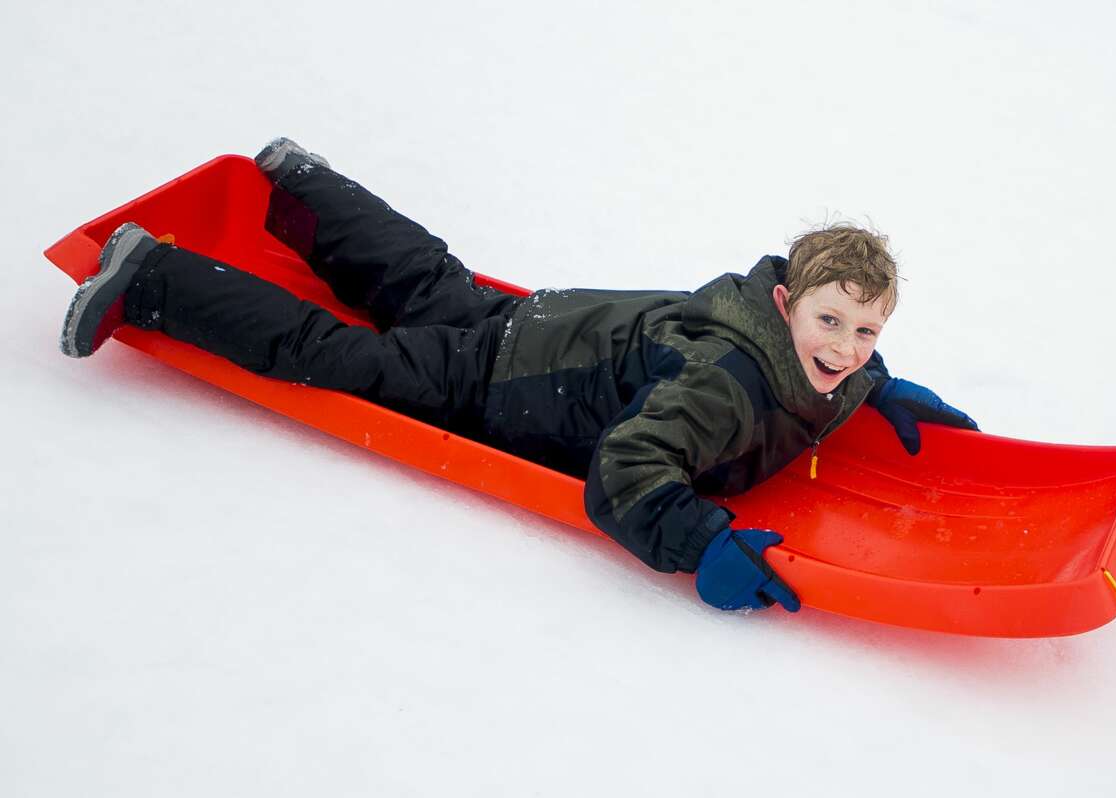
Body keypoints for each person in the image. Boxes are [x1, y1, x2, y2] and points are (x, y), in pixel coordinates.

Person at [60, 138, 978, 614]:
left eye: (868, 329)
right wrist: (702, 542)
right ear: (784, 304)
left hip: (546, 322)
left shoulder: (802, 344)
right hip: (505, 382)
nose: (848, 347)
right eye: (831, 322)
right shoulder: (723, 385)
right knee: (338, 359)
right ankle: (152, 277)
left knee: (430, 284)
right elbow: (625, 472)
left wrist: (877, 386)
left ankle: (303, 186)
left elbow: (839, 367)